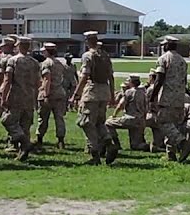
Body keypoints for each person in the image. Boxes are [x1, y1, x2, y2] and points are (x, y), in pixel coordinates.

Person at [70, 31, 117, 165]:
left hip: (92, 91)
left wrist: (76, 94)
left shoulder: (88, 55)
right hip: (104, 91)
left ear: (86, 41)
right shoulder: (105, 55)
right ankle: (108, 142)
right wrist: (112, 95)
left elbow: (85, 76)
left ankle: (95, 153)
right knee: (99, 122)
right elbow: (111, 77)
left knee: (85, 122)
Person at [0, 37, 40, 162]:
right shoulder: (34, 62)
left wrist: (3, 97)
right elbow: (38, 82)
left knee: (7, 121)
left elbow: (8, 80)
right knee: (25, 125)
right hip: (29, 97)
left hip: (16, 96)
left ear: (19, 46)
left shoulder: (13, 61)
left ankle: (24, 142)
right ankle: (23, 152)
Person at [148, 36, 188, 161]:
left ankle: (183, 143)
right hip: (179, 98)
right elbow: (184, 80)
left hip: (167, 97)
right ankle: (170, 154)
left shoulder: (163, 59)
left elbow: (159, 79)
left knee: (163, 122)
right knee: (173, 125)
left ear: (166, 46)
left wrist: (152, 97)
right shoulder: (182, 61)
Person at [35, 42, 69, 149]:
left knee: (43, 118)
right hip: (59, 93)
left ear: (47, 51)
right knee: (59, 118)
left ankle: (39, 139)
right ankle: (61, 140)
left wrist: (45, 94)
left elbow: (46, 80)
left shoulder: (46, 63)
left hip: (49, 94)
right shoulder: (60, 63)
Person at [106, 75, 148, 152]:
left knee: (108, 123)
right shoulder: (143, 92)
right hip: (140, 119)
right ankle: (151, 146)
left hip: (130, 119)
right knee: (135, 145)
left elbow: (120, 105)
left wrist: (114, 115)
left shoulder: (129, 92)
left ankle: (116, 144)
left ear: (131, 82)